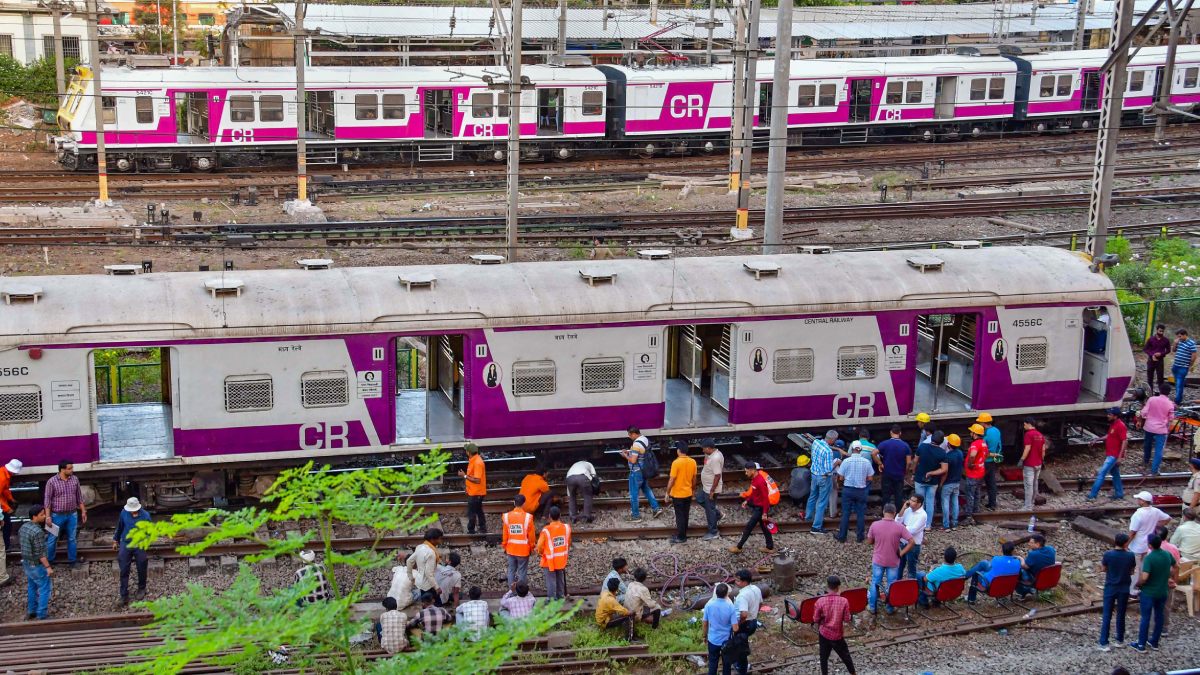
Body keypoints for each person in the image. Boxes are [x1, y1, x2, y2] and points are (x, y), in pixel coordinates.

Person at [1129, 535, 1178, 652]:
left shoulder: (1149, 558)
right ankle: (1154, 642)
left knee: (1145, 617)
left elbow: (1145, 577)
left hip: (1149, 592)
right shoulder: (1167, 554)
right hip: (1162, 591)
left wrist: (1138, 584)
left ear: (1150, 545)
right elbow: (1176, 566)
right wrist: (1169, 576)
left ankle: (1141, 644)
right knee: (1159, 615)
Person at [866, 503, 913, 614]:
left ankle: (873, 607)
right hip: (893, 561)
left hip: (878, 559)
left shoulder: (874, 525)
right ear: (894, 513)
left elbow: (869, 541)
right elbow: (912, 542)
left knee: (875, 583)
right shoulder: (899, 527)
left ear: (883, 512)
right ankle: (890, 608)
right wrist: (902, 553)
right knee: (892, 584)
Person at [44, 460, 87, 567]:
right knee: (52, 539)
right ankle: (50, 562)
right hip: (56, 515)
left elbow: (79, 497)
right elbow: (47, 500)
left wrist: (83, 511)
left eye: (72, 468)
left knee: (72, 538)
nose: (72, 470)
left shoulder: (75, 479)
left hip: (72, 514)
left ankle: (72, 561)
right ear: (62, 469)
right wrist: (48, 516)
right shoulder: (51, 482)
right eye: (69, 468)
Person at [1098, 533, 1136, 651]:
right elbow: (1132, 571)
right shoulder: (1130, 556)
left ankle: (1104, 642)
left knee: (1107, 615)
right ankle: (1120, 640)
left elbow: (1103, 569)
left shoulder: (1108, 554)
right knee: (1121, 614)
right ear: (1125, 543)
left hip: (1110, 587)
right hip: (1124, 588)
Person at [1128, 491, 1170, 596]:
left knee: (1135, 568)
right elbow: (1167, 518)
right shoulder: (1155, 511)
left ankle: (1131, 590)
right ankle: (1141, 585)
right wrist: (1156, 526)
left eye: (1139, 499)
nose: (1137, 500)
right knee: (1143, 566)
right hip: (1148, 545)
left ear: (1142, 501)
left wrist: (1125, 544)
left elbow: (1133, 532)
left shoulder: (1138, 514)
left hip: (1137, 545)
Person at [813, 575, 856, 675]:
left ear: (827, 586)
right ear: (838, 587)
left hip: (824, 633)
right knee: (845, 656)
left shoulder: (820, 601)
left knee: (823, 657)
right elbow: (846, 619)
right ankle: (853, 673)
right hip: (837, 635)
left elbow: (816, 619)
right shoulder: (844, 601)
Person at [112, 497, 151, 606]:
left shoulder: (145, 516)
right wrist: (115, 540)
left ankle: (141, 589)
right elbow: (119, 527)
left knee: (142, 566)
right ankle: (124, 595)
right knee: (124, 569)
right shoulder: (124, 513)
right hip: (126, 543)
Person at [730, 462, 774, 554]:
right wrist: (747, 501)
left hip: (760, 509)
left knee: (749, 527)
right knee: (764, 528)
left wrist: (765, 513)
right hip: (758, 507)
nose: (746, 473)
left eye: (746, 472)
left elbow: (766, 498)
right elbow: (754, 493)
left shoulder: (760, 481)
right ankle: (770, 547)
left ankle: (739, 547)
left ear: (752, 470)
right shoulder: (754, 479)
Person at [622, 426, 662, 522]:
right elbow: (641, 453)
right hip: (643, 470)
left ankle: (636, 516)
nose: (629, 437)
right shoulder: (644, 439)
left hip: (636, 472)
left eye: (630, 435)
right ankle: (656, 508)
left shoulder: (636, 444)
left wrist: (625, 455)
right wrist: (631, 451)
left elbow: (633, 460)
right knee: (646, 490)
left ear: (634, 434)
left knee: (633, 494)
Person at [835, 445, 874, 543]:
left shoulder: (846, 461)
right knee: (860, 514)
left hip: (848, 490)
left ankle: (842, 537)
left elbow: (841, 478)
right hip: (861, 490)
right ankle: (860, 537)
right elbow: (870, 478)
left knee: (846, 513)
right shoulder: (866, 462)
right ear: (860, 450)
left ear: (852, 449)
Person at [20, 505, 53, 620]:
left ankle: (31, 610)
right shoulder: (38, 532)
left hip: (26, 563)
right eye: (42, 514)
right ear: (34, 517)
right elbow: (41, 553)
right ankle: (42, 614)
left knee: (32, 586)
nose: (44, 516)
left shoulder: (23, 527)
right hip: (37, 565)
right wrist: (48, 567)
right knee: (45, 588)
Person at [1088, 408, 1128, 501]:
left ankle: (1092, 495)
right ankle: (1119, 493)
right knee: (1115, 474)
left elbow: (1124, 441)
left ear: (1115, 416)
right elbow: (1109, 435)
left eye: (1110, 414)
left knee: (1101, 474)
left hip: (1113, 456)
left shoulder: (1121, 426)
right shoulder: (1114, 424)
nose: (1108, 416)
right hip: (1111, 454)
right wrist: (1097, 439)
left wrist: (1119, 457)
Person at [805, 430, 839, 534]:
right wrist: (837, 462)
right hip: (823, 477)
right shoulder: (828, 451)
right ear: (832, 440)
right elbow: (828, 469)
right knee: (822, 501)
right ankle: (816, 527)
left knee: (812, 496)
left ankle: (808, 517)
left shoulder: (816, 442)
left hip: (814, 474)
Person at [1138, 384, 1176, 475]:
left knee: (1147, 445)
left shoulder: (1152, 399)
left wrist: (1143, 418)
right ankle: (1154, 470)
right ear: (1169, 393)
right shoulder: (1170, 404)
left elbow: (1143, 412)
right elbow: (1171, 418)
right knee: (1159, 450)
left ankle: (1146, 461)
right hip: (1161, 429)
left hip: (1149, 427)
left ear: (1160, 390)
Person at [913, 430, 948, 527]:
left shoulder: (922, 447)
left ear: (931, 438)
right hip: (933, 481)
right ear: (941, 442)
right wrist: (932, 473)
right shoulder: (942, 453)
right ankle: (928, 525)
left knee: (919, 502)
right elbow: (944, 469)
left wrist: (913, 472)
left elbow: (915, 461)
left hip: (919, 478)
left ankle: (919, 525)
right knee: (930, 502)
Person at [702, 582, 738, 675]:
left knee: (713, 664)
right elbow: (735, 628)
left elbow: (705, 623)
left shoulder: (708, 605)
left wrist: (704, 636)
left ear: (715, 593)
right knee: (727, 664)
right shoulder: (730, 606)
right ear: (726, 594)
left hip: (713, 640)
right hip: (726, 641)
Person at [536, 506, 571, 601]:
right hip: (561, 558)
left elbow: (539, 545)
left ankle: (552, 600)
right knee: (560, 578)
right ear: (560, 515)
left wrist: (541, 552)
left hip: (549, 560)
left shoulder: (546, 530)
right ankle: (560, 597)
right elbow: (568, 542)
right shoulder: (566, 528)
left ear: (549, 516)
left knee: (551, 580)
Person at [873, 426, 912, 512]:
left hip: (887, 473)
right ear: (900, 433)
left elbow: (873, 453)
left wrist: (880, 463)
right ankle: (898, 514)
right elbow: (909, 462)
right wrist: (906, 471)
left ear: (891, 432)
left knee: (886, 495)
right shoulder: (905, 446)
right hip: (899, 474)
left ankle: (885, 513)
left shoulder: (884, 444)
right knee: (899, 495)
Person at [731, 569, 762, 675]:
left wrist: (739, 623)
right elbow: (760, 603)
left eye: (738, 580)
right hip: (753, 621)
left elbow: (743, 614)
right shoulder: (756, 588)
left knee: (741, 648)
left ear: (745, 581)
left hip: (745, 624)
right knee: (742, 644)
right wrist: (755, 614)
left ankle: (742, 668)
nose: (735, 581)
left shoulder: (743, 595)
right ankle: (740, 663)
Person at [667, 441, 697, 544]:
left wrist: (667, 492)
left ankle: (681, 537)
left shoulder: (676, 463)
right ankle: (683, 533)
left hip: (678, 494)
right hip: (688, 493)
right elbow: (694, 479)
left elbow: (672, 479)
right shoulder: (693, 462)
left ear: (678, 451)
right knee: (685, 514)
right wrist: (693, 490)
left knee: (680, 516)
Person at [502, 495, 534, 588]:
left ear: (514, 503)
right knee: (522, 571)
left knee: (511, 570)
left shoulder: (507, 516)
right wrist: (532, 547)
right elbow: (531, 536)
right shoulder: (528, 517)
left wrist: (505, 546)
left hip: (511, 549)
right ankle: (521, 591)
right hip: (523, 551)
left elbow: (505, 534)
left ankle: (511, 591)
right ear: (524, 504)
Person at [697, 439, 725, 541]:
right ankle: (717, 514)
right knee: (699, 499)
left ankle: (713, 532)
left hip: (711, 489)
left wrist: (712, 491)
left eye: (704, 449)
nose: (702, 450)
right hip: (706, 487)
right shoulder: (711, 455)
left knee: (710, 510)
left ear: (709, 448)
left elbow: (717, 475)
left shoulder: (715, 458)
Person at [407, 528, 443, 603]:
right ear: (432, 539)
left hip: (420, 581)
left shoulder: (419, 547)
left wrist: (411, 577)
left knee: (425, 602)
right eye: (439, 539)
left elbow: (409, 561)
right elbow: (428, 573)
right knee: (437, 603)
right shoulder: (431, 553)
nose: (440, 541)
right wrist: (437, 587)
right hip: (428, 585)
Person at [459, 443, 487, 535]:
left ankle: (471, 530)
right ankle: (482, 528)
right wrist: (468, 487)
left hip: (476, 493)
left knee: (472, 512)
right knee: (478, 510)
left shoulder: (477, 462)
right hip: (474, 491)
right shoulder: (473, 460)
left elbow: (477, 480)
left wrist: (464, 476)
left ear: (468, 452)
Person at [977, 412, 1003, 510]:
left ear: (984, 423)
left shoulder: (986, 433)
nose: (980, 424)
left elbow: (982, 447)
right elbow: (999, 445)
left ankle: (976, 505)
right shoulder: (997, 430)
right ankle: (992, 503)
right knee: (991, 483)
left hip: (984, 460)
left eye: (980, 422)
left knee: (977, 483)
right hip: (993, 460)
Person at [898, 494, 927, 580]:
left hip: (913, 546)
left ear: (919, 504)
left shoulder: (923, 515)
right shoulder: (907, 510)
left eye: (913, 501)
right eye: (910, 500)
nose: (910, 502)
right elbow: (897, 521)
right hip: (902, 542)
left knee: (911, 569)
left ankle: (912, 588)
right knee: (899, 567)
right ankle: (896, 586)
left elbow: (912, 530)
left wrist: (902, 527)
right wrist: (903, 508)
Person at [963, 424, 987, 524]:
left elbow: (972, 455)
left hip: (973, 474)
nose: (970, 433)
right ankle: (976, 511)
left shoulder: (975, 444)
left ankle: (969, 516)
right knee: (977, 493)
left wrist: (970, 464)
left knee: (970, 494)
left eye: (971, 432)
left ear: (975, 434)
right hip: (980, 472)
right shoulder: (983, 443)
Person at [940, 434, 965, 530]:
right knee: (955, 502)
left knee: (945, 503)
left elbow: (945, 472)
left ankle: (946, 525)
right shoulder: (960, 453)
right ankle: (954, 523)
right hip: (957, 482)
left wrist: (941, 483)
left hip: (948, 483)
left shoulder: (947, 456)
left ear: (949, 444)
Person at [1019, 420, 1045, 510]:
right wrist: (1042, 460)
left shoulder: (1028, 434)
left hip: (1029, 464)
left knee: (1028, 485)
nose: (1024, 426)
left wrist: (1022, 459)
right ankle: (1033, 501)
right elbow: (1043, 450)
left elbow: (1027, 448)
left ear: (1029, 424)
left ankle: (1028, 506)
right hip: (1038, 463)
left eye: (1024, 424)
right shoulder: (1040, 435)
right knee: (1035, 482)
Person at [564, 459, 597, 524]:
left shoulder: (574, 465)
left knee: (572, 497)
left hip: (570, 478)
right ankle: (587, 516)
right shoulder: (588, 463)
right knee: (587, 495)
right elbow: (594, 475)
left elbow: (568, 477)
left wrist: (569, 494)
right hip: (583, 477)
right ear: (585, 460)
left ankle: (573, 517)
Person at [1171, 328, 1197, 404]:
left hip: (1183, 367)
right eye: (1178, 336)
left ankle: (1177, 401)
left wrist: (1190, 366)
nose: (1179, 338)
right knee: (1177, 382)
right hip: (1175, 366)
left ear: (1185, 335)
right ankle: (1178, 396)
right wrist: (1175, 343)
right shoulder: (1179, 341)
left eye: (1180, 336)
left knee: (1179, 383)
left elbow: (1194, 356)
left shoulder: (1191, 343)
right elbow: (1173, 350)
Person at [1145, 324, 1171, 393]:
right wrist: (1152, 355)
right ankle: (1150, 393)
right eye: (1160, 331)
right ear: (1157, 330)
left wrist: (1161, 354)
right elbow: (1145, 349)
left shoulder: (1166, 340)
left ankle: (1162, 395)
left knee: (1160, 378)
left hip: (1160, 361)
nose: (1161, 333)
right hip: (1151, 360)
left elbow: (1168, 350)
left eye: (1162, 331)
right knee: (1150, 378)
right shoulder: (1150, 339)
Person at [0, 458, 19, 551]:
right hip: (1, 506)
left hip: (2, 504)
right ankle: (5, 547)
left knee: (7, 525)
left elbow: (5, 490)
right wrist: (7, 508)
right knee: (7, 525)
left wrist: (11, 499)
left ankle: (5, 546)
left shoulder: (4, 473)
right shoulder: (2, 477)